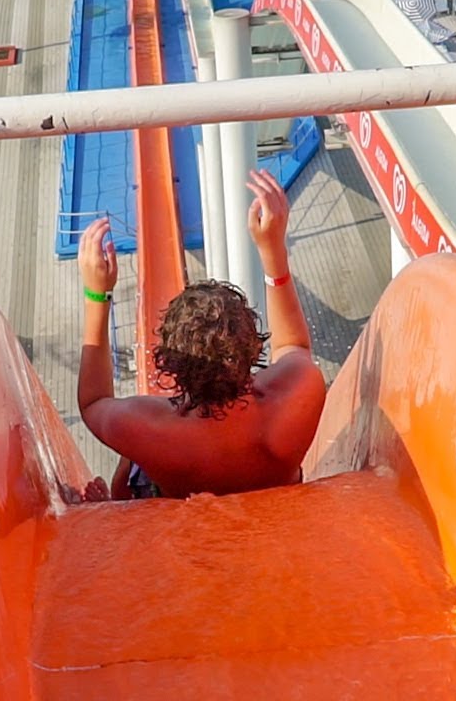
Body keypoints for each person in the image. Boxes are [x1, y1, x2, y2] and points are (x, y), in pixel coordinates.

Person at [77, 169, 326, 500]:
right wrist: (273, 252)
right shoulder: (299, 398)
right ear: (253, 347)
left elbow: (94, 401)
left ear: (170, 365)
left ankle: (115, 504)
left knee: (130, 464)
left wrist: (98, 296)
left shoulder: (148, 431)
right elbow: (293, 345)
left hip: (188, 522)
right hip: (274, 513)